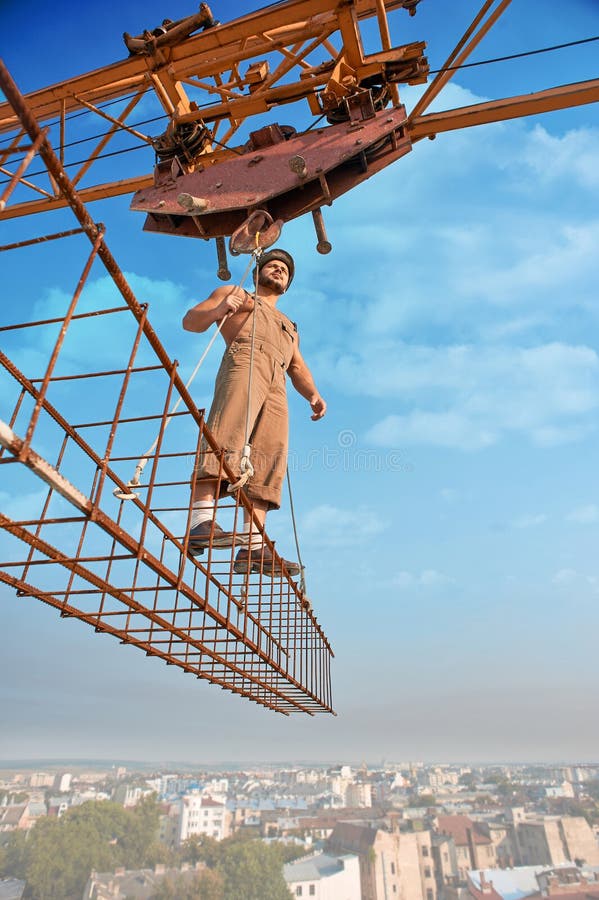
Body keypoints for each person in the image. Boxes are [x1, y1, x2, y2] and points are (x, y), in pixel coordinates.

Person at [182, 248, 326, 576]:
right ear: (258, 271)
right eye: (272, 266)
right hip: (245, 361)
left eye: (284, 270)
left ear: (288, 285)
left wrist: (313, 394)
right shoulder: (235, 294)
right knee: (227, 431)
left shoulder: (290, 326)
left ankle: (253, 546)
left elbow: (297, 366)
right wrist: (220, 309)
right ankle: (201, 520)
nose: (278, 271)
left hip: (278, 382)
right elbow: (190, 321)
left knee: (270, 454)